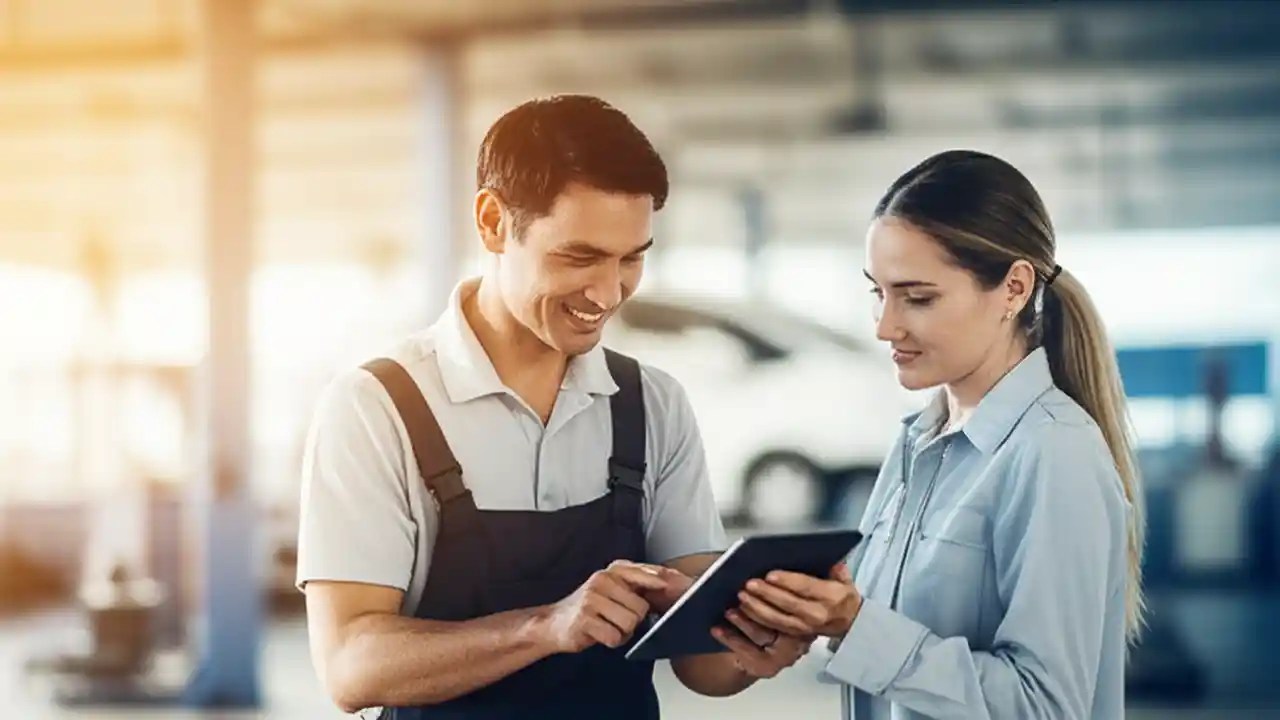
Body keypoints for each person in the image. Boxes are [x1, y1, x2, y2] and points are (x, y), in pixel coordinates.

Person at [296, 95, 810, 720]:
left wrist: (764, 638)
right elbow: (351, 666)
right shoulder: (377, 408)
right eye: (579, 256)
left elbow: (703, 663)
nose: (608, 292)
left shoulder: (652, 405)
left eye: (632, 258)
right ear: (492, 222)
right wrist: (546, 626)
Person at [736, 150, 1145, 719]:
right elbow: (893, 651)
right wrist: (809, 622)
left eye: (918, 298)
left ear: (1014, 289)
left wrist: (857, 628)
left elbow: (1046, 706)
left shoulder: (1054, 455)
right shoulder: (915, 447)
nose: (884, 327)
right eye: (878, 293)